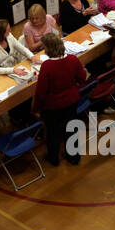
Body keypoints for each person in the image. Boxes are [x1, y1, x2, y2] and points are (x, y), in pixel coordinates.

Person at [33, 33, 88, 166]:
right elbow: (82, 77)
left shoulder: (47, 66)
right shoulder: (73, 59)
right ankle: (73, 157)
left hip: (53, 106)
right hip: (71, 101)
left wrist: (35, 109)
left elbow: (40, 92)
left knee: (53, 132)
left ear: (49, 49)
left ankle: (54, 158)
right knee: (71, 128)